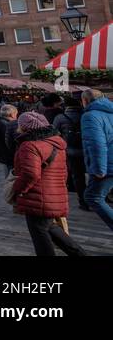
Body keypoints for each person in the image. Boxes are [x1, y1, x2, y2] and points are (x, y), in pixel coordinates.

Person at [11, 111, 84, 256]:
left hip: (38, 196)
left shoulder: (29, 145)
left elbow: (30, 174)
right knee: (50, 227)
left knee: (41, 238)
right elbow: (64, 171)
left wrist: (17, 189)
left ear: (24, 127)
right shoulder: (56, 141)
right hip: (54, 193)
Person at [80, 89, 113, 232]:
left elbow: (96, 144)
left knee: (93, 197)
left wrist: (99, 170)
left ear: (85, 101)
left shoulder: (90, 116)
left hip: (108, 165)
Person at [53, 96, 89, 211]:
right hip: (88, 150)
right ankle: (97, 197)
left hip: (70, 151)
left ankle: (83, 201)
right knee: (94, 175)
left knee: (78, 177)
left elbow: (54, 134)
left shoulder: (60, 118)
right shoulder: (86, 115)